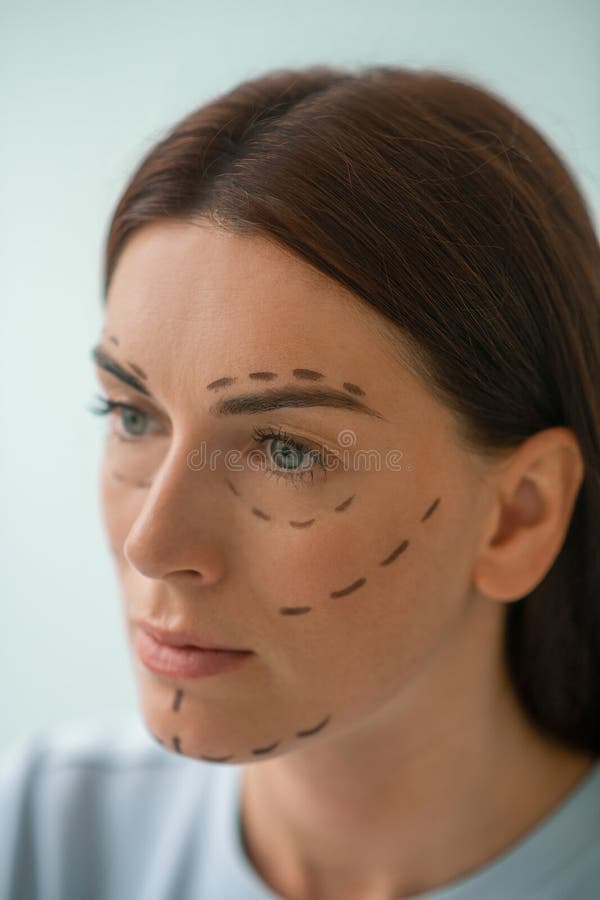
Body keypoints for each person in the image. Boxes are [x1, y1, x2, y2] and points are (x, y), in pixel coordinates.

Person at [2, 63, 600, 900]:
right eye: (133, 417)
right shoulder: (42, 835)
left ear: (518, 517)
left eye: (285, 450)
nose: (152, 546)